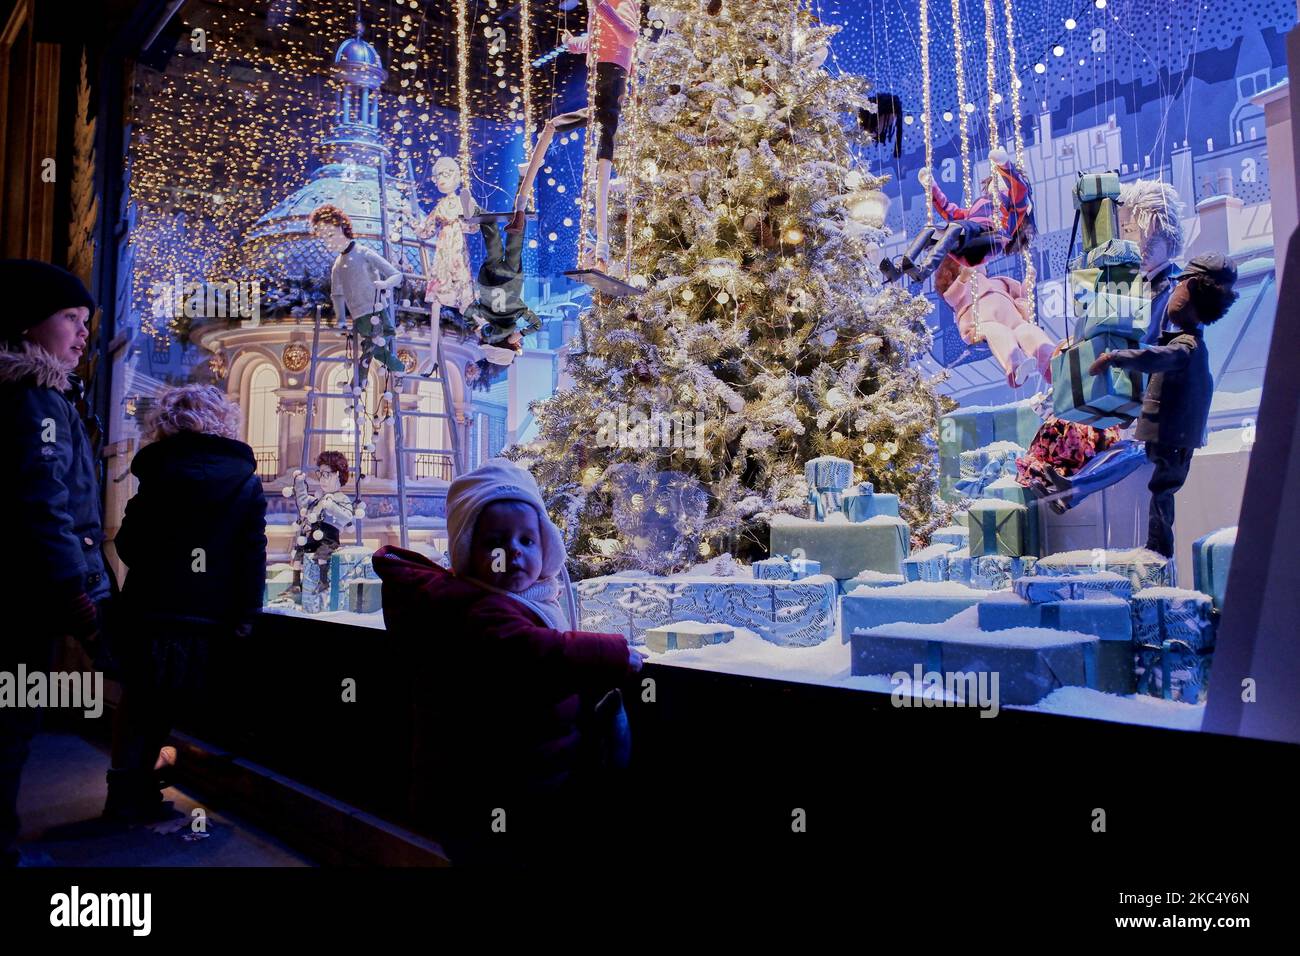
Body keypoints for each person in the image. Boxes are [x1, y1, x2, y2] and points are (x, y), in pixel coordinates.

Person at [373, 458, 645, 864]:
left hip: (516, 779)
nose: (512, 553)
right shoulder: (476, 609)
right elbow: (533, 654)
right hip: (485, 790)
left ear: (546, 545)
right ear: (467, 551)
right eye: (495, 543)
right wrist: (612, 653)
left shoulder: (527, 597)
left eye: (527, 541)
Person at [106, 385, 267, 820]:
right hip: (210, 615)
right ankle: (185, 790)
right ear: (223, 421)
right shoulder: (245, 484)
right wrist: (247, 615)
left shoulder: (157, 475)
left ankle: (125, 794)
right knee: (183, 707)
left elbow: (128, 542)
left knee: (140, 703)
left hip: (152, 610)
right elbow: (252, 555)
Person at [0, 259, 107, 866]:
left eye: (86, 320)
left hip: (24, 589)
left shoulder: (40, 396)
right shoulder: (37, 400)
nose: (82, 331)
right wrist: (76, 591)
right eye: (70, 317)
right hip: (25, 598)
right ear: (26, 325)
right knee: (12, 723)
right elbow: (45, 503)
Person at [1089, 253, 1239, 558]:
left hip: (1172, 439)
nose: (1174, 293)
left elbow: (1152, 358)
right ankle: (1156, 548)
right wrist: (1133, 415)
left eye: (1180, 285)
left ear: (1193, 287)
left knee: (1161, 491)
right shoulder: (1186, 345)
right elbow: (1161, 386)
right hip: (1170, 437)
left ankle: (1158, 550)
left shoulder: (1185, 347)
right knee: (1158, 487)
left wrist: (1115, 357)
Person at [512, 0, 640, 272]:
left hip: (612, 79)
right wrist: (575, 43)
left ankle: (602, 250)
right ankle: (521, 204)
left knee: (604, 153)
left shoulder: (622, 2)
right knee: (552, 126)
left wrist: (603, 8)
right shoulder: (600, 9)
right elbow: (597, 39)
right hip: (598, 81)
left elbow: (629, 36)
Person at [881, 147, 1034, 285]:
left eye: (1002, 181)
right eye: (994, 181)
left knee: (957, 226)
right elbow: (950, 211)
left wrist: (1005, 165)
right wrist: (931, 186)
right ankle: (898, 270)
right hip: (968, 244)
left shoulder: (1014, 207)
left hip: (990, 240)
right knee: (930, 231)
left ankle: (923, 271)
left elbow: (1020, 189)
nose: (996, 185)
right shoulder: (976, 208)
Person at [935, 257, 1054, 388]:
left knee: (1030, 332)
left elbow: (1020, 297)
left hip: (1015, 323)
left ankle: (1050, 362)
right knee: (1000, 333)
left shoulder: (999, 282)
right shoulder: (961, 289)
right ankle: (1016, 368)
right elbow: (950, 297)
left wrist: (1027, 285)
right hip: (984, 325)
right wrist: (963, 278)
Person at [1117, 179, 1185, 345]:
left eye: (1129, 230)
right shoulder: (1133, 289)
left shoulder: (1178, 290)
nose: (1124, 240)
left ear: (1153, 225)